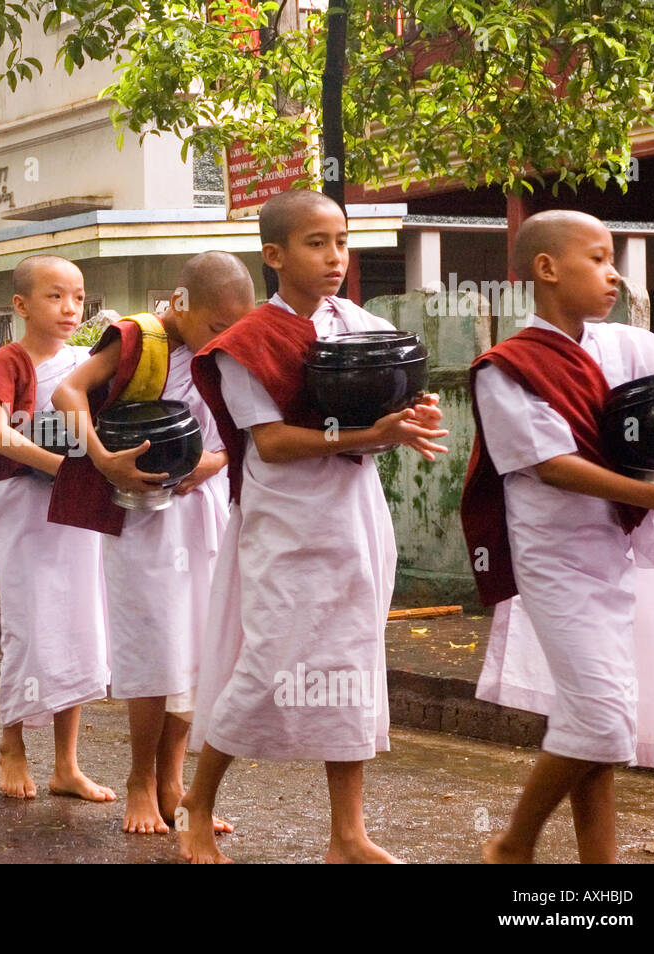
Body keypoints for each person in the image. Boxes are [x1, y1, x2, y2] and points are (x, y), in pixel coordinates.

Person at [179, 189, 448, 863]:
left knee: (351, 666)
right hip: (286, 525)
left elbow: (393, 405)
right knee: (267, 664)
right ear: (274, 255)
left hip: (355, 518)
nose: (335, 257)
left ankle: (347, 834)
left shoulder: (358, 323)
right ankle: (198, 807)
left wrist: (409, 419)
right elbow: (270, 441)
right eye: (316, 243)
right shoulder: (245, 344)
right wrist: (367, 431)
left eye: (341, 241)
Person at [463, 210, 654, 863]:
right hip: (555, 563)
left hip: (613, 555)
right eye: (599, 258)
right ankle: (512, 843)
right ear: (548, 269)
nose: (615, 274)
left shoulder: (620, 346)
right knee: (600, 717)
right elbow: (550, 464)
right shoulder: (506, 367)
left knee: (596, 723)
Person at [50, 250, 251, 833]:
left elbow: (231, 436)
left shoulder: (233, 348)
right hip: (142, 513)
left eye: (235, 325)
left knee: (196, 650)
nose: (226, 336)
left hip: (204, 511)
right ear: (181, 303)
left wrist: (213, 464)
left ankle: (173, 780)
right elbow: (69, 393)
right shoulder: (143, 341)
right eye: (216, 325)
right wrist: (102, 457)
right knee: (154, 645)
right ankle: (140, 776)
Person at [0, 254, 112, 801]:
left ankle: (66, 765)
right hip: (26, 509)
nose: (70, 308)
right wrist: (63, 467)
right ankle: (12, 744)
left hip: (77, 514)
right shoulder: (8, 362)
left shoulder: (85, 363)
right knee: (28, 624)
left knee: (79, 624)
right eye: (55, 296)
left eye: (78, 296)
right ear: (21, 305)